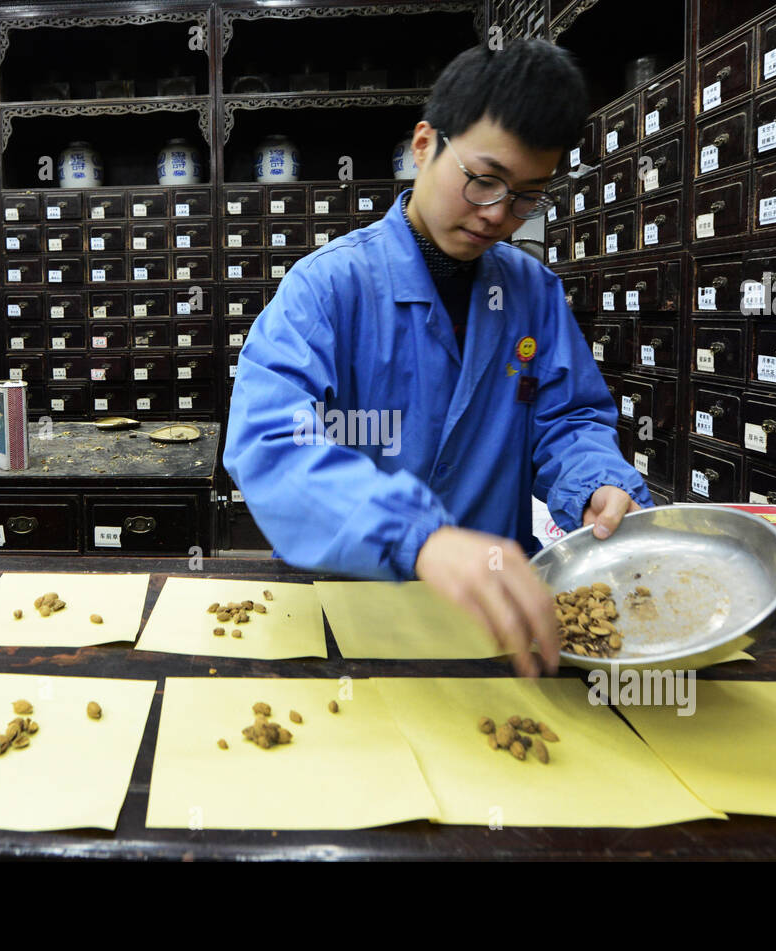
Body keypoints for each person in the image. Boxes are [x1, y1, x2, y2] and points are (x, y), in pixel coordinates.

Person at [223, 40, 655, 676]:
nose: (498, 215)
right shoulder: (329, 287)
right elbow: (272, 442)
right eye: (482, 180)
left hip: (495, 627)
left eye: (526, 196)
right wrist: (416, 536)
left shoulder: (532, 292)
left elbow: (566, 419)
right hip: (350, 617)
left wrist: (594, 480)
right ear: (425, 144)